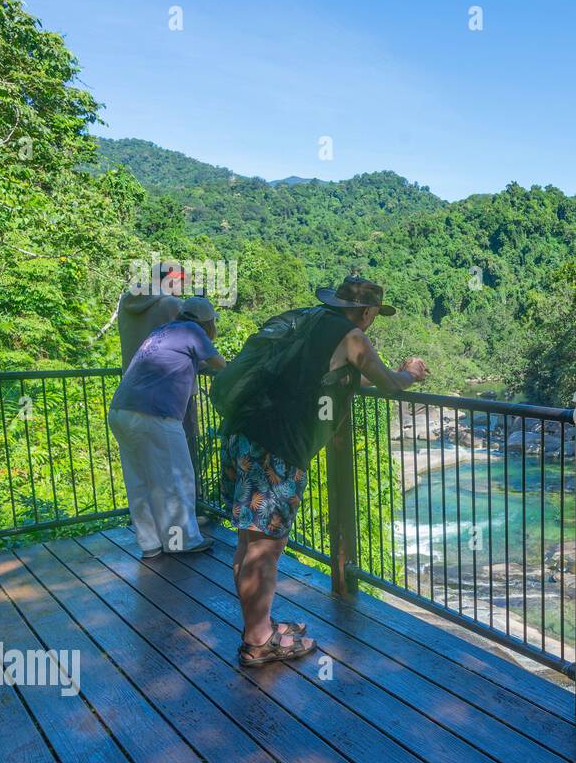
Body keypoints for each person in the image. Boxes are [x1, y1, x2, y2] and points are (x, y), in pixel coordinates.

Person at [216, 275, 428, 667]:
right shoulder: (352, 336)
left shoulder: (307, 320)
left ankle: (258, 627)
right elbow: (388, 385)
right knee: (265, 546)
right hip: (277, 448)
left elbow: (342, 374)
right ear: (366, 312)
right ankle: (259, 641)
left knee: (250, 539)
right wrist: (410, 373)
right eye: (375, 314)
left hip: (242, 433)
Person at [109, 296, 226, 558]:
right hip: (154, 413)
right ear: (206, 322)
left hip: (120, 410)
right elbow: (220, 365)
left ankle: (150, 543)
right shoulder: (192, 331)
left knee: (139, 480)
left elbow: (186, 360)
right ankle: (182, 540)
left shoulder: (163, 331)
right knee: (177, 476)